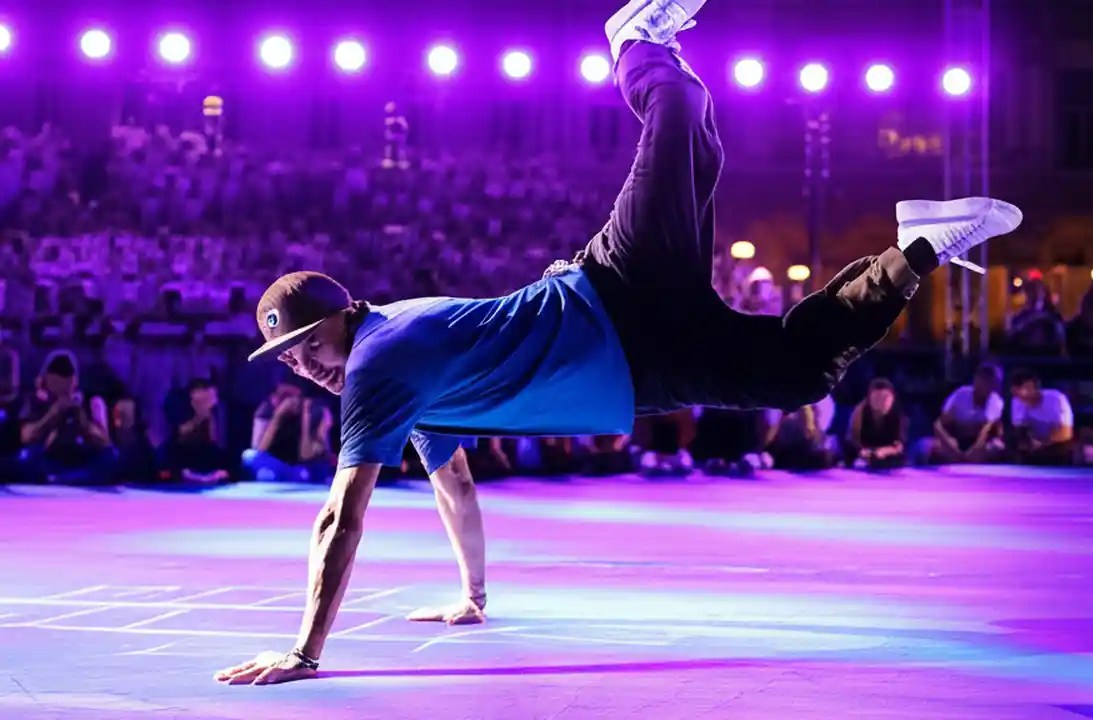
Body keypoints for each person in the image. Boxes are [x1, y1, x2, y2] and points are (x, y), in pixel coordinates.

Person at [215, 0, 1022, 686]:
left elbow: (339, 521)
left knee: (676, 128)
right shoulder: (406, 379)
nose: (299, 367)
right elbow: (453, 486)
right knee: (798, 373)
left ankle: (631, 43)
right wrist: (475, 595)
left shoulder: (379, 364)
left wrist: (304, 652)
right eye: (286, 361)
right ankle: (916, 249)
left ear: (340, 321)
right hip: (639, 374)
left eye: (304, 347)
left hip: (612, 293)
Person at [17, 351, 116, 484]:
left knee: (110, 457)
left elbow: (104, 441)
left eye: (68, 375)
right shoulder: (36, 401)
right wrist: (52, 415)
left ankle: (74, 479)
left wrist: (82, 422)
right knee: (25, 458)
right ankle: (56, 479)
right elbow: (26, 437)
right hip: (49, 461)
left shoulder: (92, 402)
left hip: (83, 460)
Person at [242, 377, 336, 483]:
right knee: (249, 456)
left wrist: (305, 419)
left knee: (314, 469)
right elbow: (259, 450)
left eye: (292, 396)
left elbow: (306, 455)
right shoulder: (265, 411)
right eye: (283, 396)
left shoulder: (311, 412)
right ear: (273, 397)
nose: (288, 401)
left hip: (301, 466)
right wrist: (278, 416)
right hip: (275, 465)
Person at [922, 363, 1005, 464]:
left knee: (997, 447)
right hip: (954, 441)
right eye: (986, 380)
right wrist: (952, 446)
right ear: (977, 379)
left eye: (993, 382)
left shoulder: (996, 401)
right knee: (927, 446)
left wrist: (972, 452)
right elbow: (938, 426)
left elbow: (985, 433)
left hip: (978, 446)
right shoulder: (960, 395)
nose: (989, 386)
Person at [1009, 369, 1076, 465]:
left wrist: (1043, 443)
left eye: (1023, 388)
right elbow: (1020, 431)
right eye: (1015, 390)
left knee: (1062, 449)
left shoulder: (1057, 399)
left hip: (1057, 446)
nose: (1020, 394)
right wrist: (1028, 443)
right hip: (1033, 448)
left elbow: (1066, 433)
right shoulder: (1016, 402)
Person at [847, 378, 907, 470]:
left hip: (886, 452)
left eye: (885, 398)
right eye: (876, 398)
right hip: (864, 451)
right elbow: (853, 439)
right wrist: (863, 451)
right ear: (869, 398)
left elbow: (899, 445)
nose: (881, 402)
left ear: (893, 398)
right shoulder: (861, 411)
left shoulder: (897, 414)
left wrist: (883, 451)